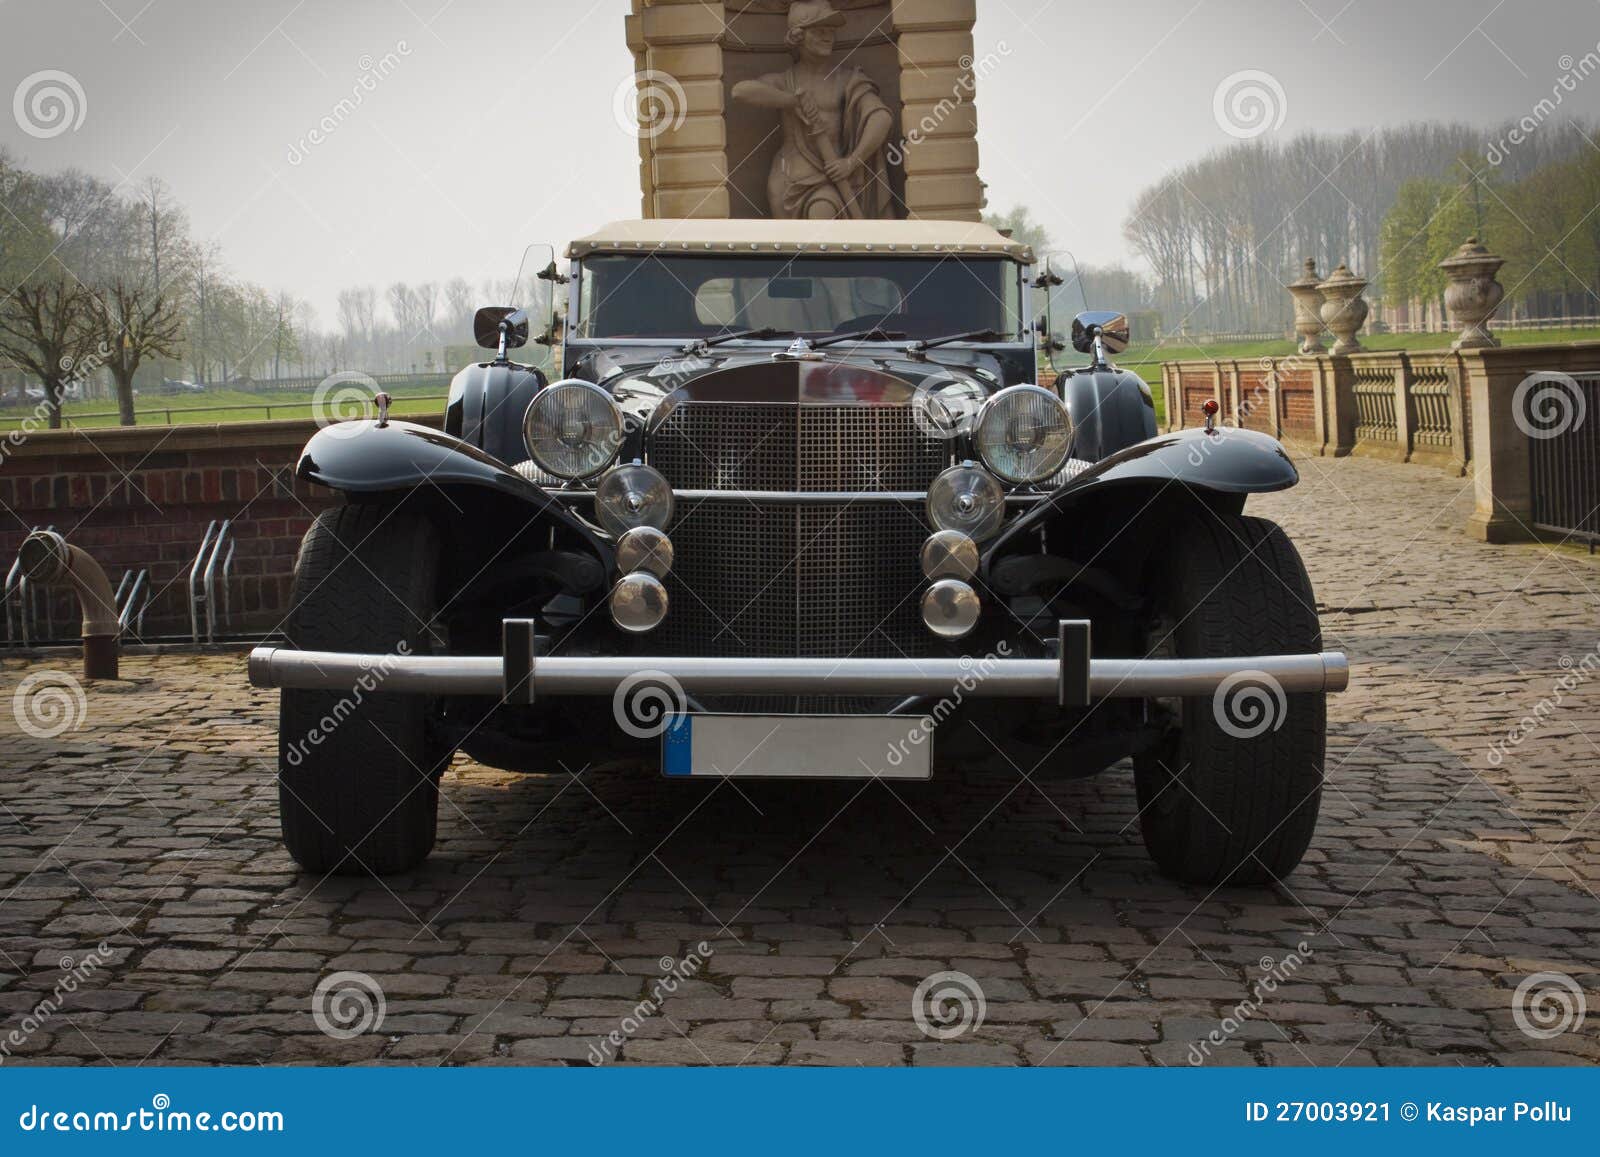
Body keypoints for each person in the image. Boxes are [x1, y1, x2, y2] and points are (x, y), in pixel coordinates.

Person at [731, 1, 895, 220]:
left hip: (830, 181)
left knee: (822, 217)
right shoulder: (785, 81)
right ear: (798, 37)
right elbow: (740, 91)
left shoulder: (847, 80)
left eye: (830, 31)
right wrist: (791, 101)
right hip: (787, 183)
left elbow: (881, 118)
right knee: (792, 249)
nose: (828, 37)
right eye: (819, 31)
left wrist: (851, 162)